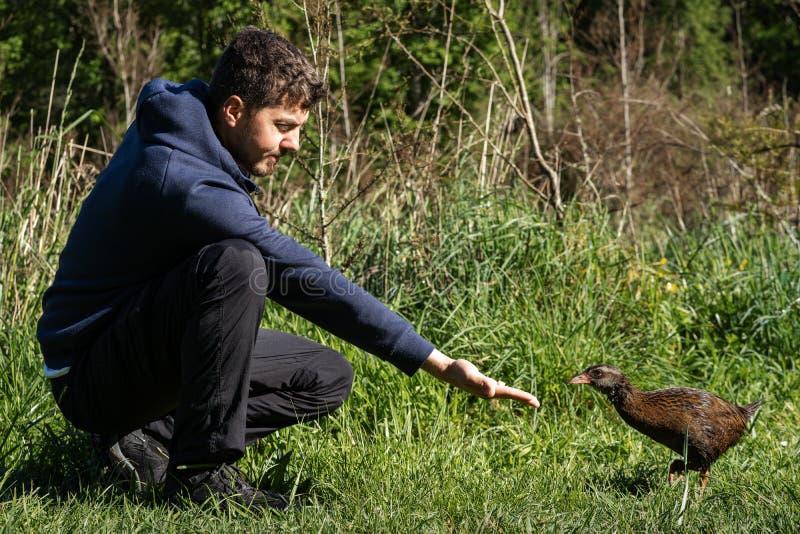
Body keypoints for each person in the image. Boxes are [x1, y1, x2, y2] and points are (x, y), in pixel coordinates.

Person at [36, 26, 539, 511]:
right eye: (283, 126)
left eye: (298, 128)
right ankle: (200, 475)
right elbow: (302, 276)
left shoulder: (190, 125)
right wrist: (439, 362)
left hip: (136, 344)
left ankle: (148, 441)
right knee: (237, 264)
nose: (295, 144)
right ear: (233, 110)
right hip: (89, 377)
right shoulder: (183, 179)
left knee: (324, 375)